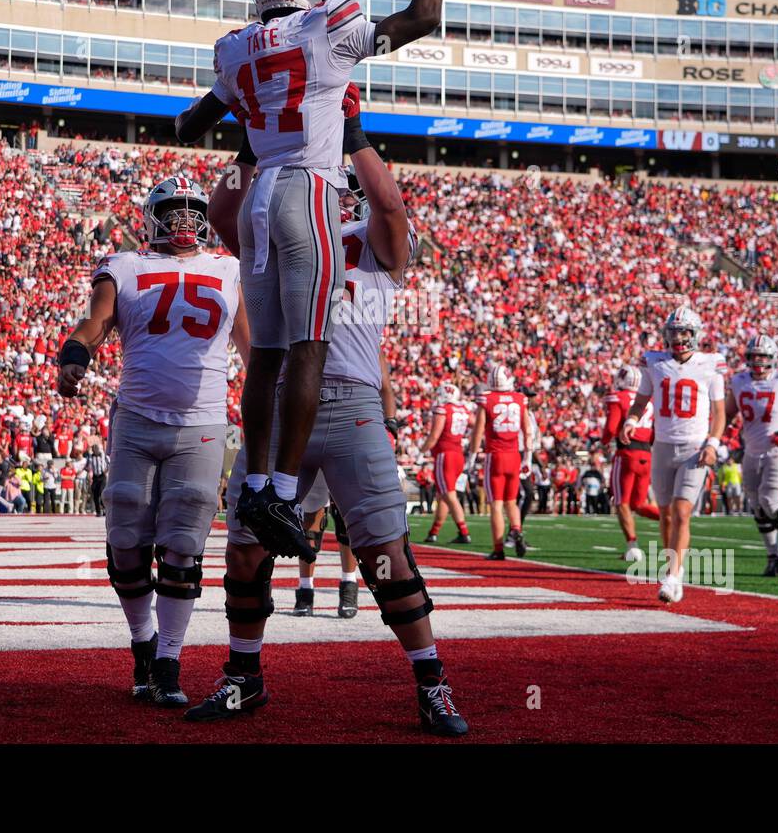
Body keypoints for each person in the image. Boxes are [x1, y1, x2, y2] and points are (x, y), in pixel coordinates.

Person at [175, 0, 446, 565]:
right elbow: (424, 19)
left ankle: (260, 481)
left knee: (266, 353)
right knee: (309, 347)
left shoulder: (235, 49)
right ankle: (283, 488)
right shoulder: (332, 25)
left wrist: (250, 105)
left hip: (259, 193)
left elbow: (188, 126)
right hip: (309, 188)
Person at [197, 114, 467, 737]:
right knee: (244, 550)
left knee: (384, 555)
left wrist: (353, 131)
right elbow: (222, 215)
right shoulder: (280, 231)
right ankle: (245, 677)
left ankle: (432, 683)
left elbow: (392, 208)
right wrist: (249, 142)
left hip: (349, 403)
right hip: (280, 399)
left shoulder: (366, 236)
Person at [58, 176, 249, 707]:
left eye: (193, 210)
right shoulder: (125, 265)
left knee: (185, 543)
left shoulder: (229, 267)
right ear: (151, 216)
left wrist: (269, 398)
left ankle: (167, 658)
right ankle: (142, 642)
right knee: (125, 536)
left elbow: (251, 345)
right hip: (138, 418)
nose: (185, 220)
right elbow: (97, 320)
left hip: (202, 423)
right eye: (174, 209)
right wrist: (76, 351)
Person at [621, 306, 726, 604]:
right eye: (673, 332)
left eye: (684, 332)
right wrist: (630, 421)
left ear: (695, 334)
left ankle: (673, 575)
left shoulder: (711, 364)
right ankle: (672, 570)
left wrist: (713, 444)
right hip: (663, 446)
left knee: (682, 512)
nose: (678, 338)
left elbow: (719, 412)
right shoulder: (655, 362)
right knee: (665, 514)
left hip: (694, 448)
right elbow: (641, 400)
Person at [725, 334, 778, 577]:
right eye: (754, 356)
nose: (758, 361)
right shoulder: (739, 381)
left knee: (770, 501)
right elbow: (727, 413)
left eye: (763, 356)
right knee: (757, 506)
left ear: (772, 358)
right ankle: (771, 555)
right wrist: (726, 437)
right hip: (752, 450)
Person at [469, 365, 531, 561]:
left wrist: (471, 457)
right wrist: (528, 456)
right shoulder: (520, 399)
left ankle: (498, 549)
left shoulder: (487, 399)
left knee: (496, 505)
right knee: (511, 502)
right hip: (515, 455)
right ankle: (516, 529)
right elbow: (528, 432)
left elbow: (478, 431)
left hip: (495, 456)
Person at [601, 366, 658, 561]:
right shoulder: (649, 399)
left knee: (621, 502)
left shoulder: (619, 397)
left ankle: (632, 547)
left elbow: (610, 428)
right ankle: (670, 518)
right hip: (646, 454)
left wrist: (603, 442)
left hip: (626, 453)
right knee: (639, 504)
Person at [420, 381, 472, 544]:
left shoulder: (443, 409)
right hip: (458, 454)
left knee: (449, 495)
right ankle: (433, 532)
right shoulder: (463, 409)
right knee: (443, 495)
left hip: (445, 455)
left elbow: (434, 436)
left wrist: (421, 452)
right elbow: (476, 423)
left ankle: (464, 532)